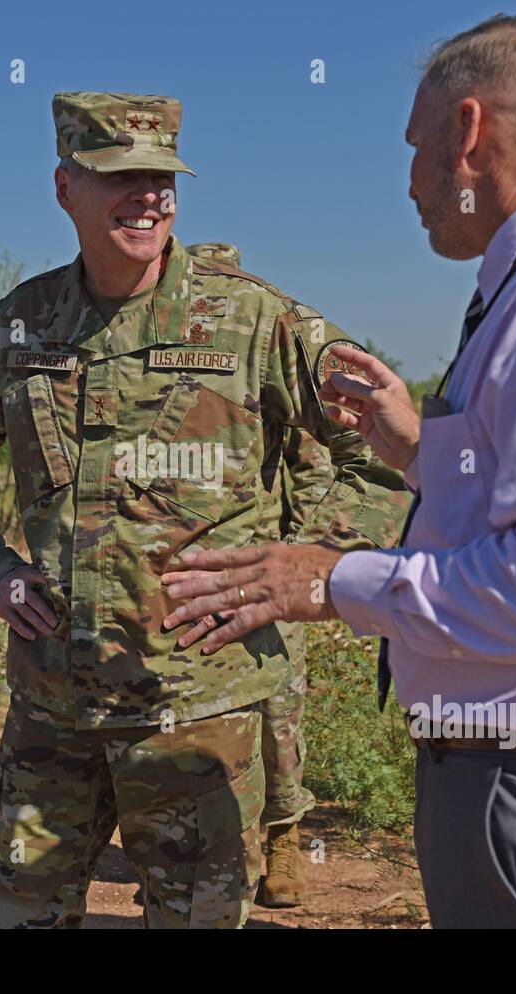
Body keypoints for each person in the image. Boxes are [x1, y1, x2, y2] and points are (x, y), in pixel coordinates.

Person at [160, 15, 516, 929]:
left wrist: (329, 581)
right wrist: (419, 448)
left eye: (417, 147)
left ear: (469, 130)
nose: (410, 183)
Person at [0, 92, 409, 929]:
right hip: (52, 710)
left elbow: (383, 450)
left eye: (162, 178)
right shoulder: (22, 326)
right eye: (120, 177)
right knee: (16, 914)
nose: (148, 197)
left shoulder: (253, 318)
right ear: (66, 186)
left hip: (198, 709)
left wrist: (310, 569)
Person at [186, 241, 330, 907]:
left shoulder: (267, 360)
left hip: (267, 574)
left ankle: (284, 837)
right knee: (198, 716)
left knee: (278, 713)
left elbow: (317, 470)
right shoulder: (171, 375)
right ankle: (205, 848)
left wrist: (297, 561)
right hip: (196, 580)